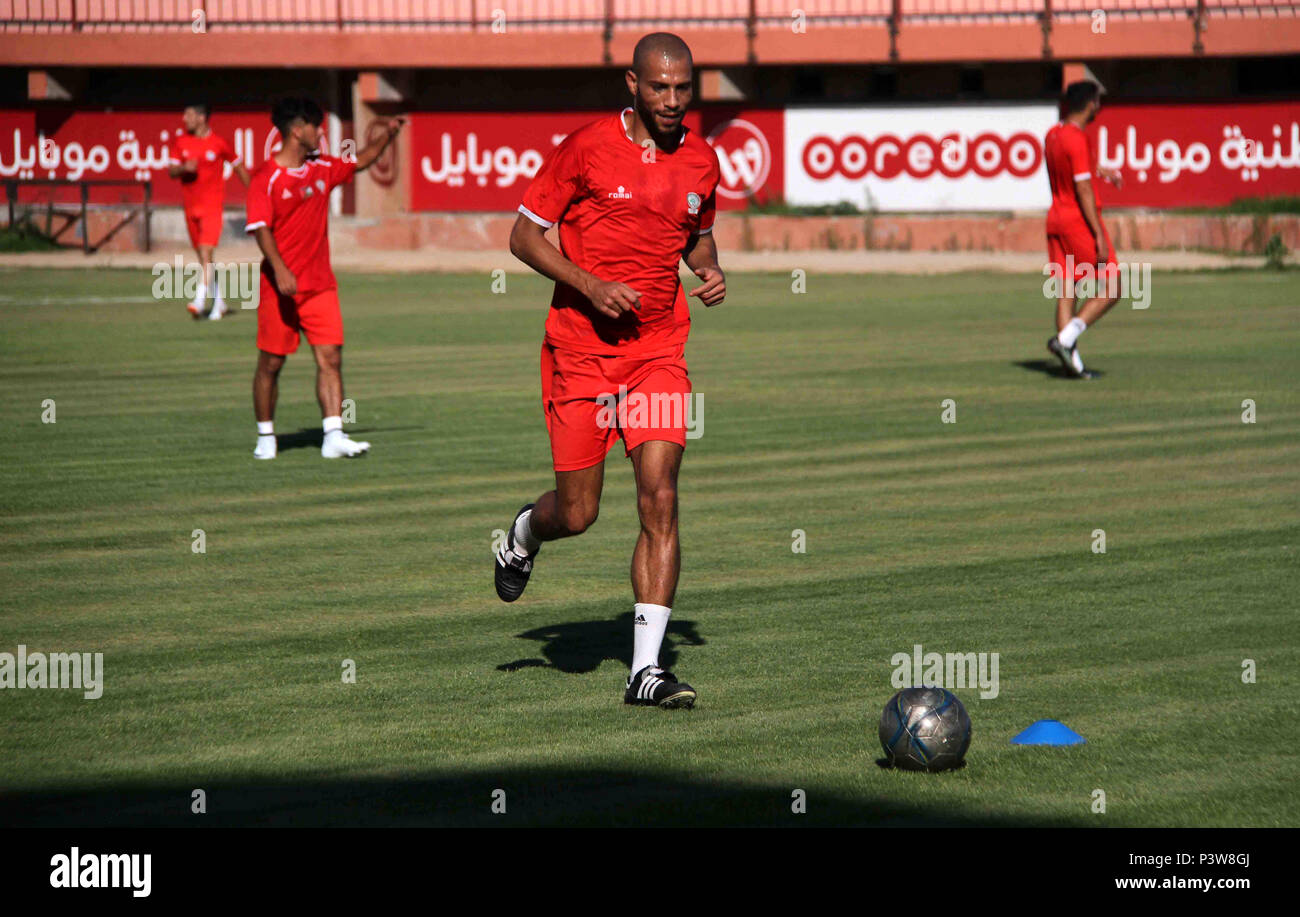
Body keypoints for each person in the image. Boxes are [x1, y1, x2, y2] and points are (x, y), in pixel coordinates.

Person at [494, 33, 725, 709]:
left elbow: (697, 232)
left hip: (657, 351)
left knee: (660, 495)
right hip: (581, 352)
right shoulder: (586, 147)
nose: (673, 100)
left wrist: (707, 269)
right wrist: (590, 285)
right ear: (632, 84)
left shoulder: (703, 159)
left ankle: (644, 672)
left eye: (684, 88)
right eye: (660, 87)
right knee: (579, 511)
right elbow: (523, 235)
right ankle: (524, 533)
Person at [243, 97, 402, 460]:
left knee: (330, 357)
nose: (320, 132)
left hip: (320, 286)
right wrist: (281, 269)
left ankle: (333, 435)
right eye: (316, 126)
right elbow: (261, 229)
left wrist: (388, 134)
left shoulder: (321, 169)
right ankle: (266, 436)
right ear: (298, 130)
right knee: (271, 363)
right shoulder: (265, 179)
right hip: (278, 289)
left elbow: (361, 159)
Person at [1044, 80, 1125, 378]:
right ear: (1090, 103)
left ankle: (1072, 366)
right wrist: (1099, 234)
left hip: (1055, 218)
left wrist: (1102, 171)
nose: (1099, 107)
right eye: (1097, 101)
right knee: (1114, 287)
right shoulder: (1077, 139)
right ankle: (1063, 341)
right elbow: (1082, 187)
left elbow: (1074, 169)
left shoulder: (1053, 135)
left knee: (1068, 290)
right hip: (1078, 221)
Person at [167, 103, 250, 320]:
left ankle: (199, 300)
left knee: (206, 253)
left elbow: (239, 165)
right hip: (190, 208)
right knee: (204, 258)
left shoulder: (219, 143)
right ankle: (220, 303)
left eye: (189, 114)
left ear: (202, 117)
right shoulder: (181, 141)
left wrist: (253, 194)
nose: (184, 118)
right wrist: (184, 168)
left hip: (212, 207)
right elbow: (171, 171)